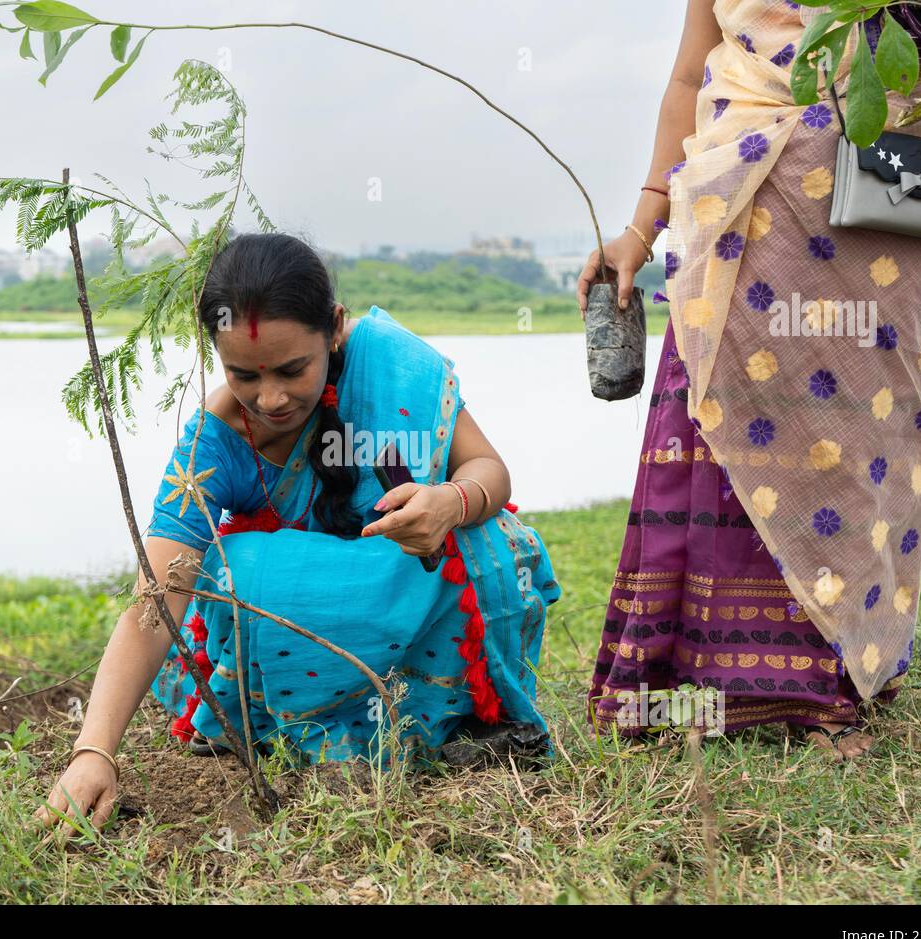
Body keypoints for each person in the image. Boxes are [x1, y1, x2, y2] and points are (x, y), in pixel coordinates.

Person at [577, 0, 921, 760]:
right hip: (733, 210)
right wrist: (640, 228)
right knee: (720, 428)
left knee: (858, 446)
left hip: (883, 210)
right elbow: (691, 71)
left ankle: (827, 686)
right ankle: (685, 679)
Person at [37, 232, 561, 835]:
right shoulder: (215, 446)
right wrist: (93, 752)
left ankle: (463, 719)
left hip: (406, 587)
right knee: (234, 575)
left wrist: (449, 500)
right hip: (300, 618)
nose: (272, 398)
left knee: (499, 541)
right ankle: (286, 723)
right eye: (243, 375)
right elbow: (158, 598)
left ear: (334, 328)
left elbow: (489, 470)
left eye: (293, 369)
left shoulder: (389, 365)